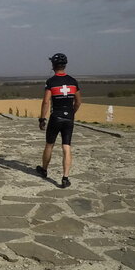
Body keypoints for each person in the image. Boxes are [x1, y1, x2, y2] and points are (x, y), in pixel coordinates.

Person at [37, 52, 81, 188]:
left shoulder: (51, 82)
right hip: (69, 117)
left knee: (49, 144)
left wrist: (42, 119)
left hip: (56, 116)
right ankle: (65, 177)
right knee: (66, 146)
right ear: (65, 65)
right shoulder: (73, 81)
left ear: (53, 65)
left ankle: (44, 170)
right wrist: (72, 113)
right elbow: (78, 101)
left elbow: (46, 102)